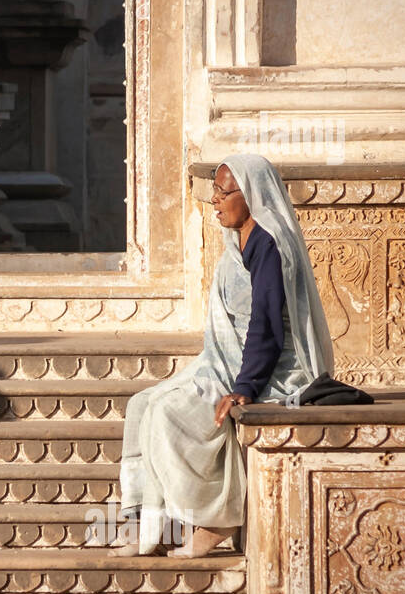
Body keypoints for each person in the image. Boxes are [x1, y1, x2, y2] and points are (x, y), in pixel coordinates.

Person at [114, 153, 334, 558]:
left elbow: (266, 325)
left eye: (223, 191)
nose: (214, 200)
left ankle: (215, 519)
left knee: (168, 414)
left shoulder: (268, 244)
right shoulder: (238, 240)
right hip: (231, 360)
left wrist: (244, 388)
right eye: (214, 190)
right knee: (142, 404)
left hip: (272, 370)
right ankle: (151, 524)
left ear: (250, 195)